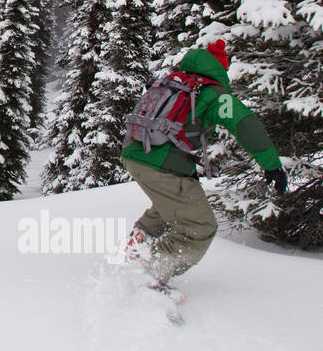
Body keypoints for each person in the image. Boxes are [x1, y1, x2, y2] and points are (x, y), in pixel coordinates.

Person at [121, 39, 287, 284]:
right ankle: (148, 277)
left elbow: (175, 130)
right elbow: (245, 124)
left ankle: (137, 252)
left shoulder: (176, 83)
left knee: (172, 206)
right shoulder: (214, 93)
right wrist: (271, 164)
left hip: (135, 153)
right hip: (161, 164)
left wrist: (186, 170)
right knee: (199, 227)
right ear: (220, 68)